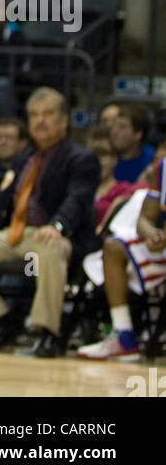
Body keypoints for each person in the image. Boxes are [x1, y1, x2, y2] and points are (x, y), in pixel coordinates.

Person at [0, 87, 99, 358]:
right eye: (34, 115)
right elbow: (9, 185)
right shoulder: (26, 157)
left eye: (48, 114)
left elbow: (78, 198)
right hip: (15, 232)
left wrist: (58, 225)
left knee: (50, 248)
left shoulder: (81, 158)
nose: (40, 121)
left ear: (64, 121)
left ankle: (46, 332)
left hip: (56, 233)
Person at [77, 146, 166, 360]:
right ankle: (124, 336)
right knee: (113, 246)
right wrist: (152, 234)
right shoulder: (161, 169)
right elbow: (144, 218)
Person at [108, 102, 155, 182]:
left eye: (122, 127)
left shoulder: (152, 159)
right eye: (113, 126)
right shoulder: (105, 156)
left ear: (138, 134)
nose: (114, 132)